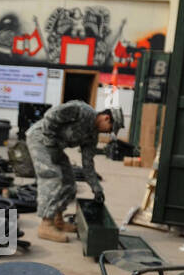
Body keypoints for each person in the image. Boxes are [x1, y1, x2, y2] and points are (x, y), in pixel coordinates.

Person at [26, 102, 121, 242]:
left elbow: (88, 164)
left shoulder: (92, 136)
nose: (108, 132)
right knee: (53, 177)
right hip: (40, 139)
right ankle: (45, 224)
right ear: (106, 118)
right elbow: (50, 116)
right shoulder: (81, 110)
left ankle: (58, 220)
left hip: (54, 146)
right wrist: (50, 142)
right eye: (110, 129)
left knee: (69, 182)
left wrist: (96, 188)